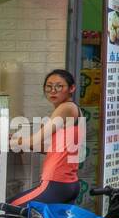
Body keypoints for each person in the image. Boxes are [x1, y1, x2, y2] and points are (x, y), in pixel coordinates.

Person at [8, 69, 82, 205]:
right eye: (49, 86)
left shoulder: (66, 108)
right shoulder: (73, 109)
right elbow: (50, 148)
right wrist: (21, 143)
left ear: (72, 88)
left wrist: (13, 140)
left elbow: (37, 139)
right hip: (69, 184)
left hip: (55, 182)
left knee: (11, 207)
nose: (53, 90)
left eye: (59, 86)